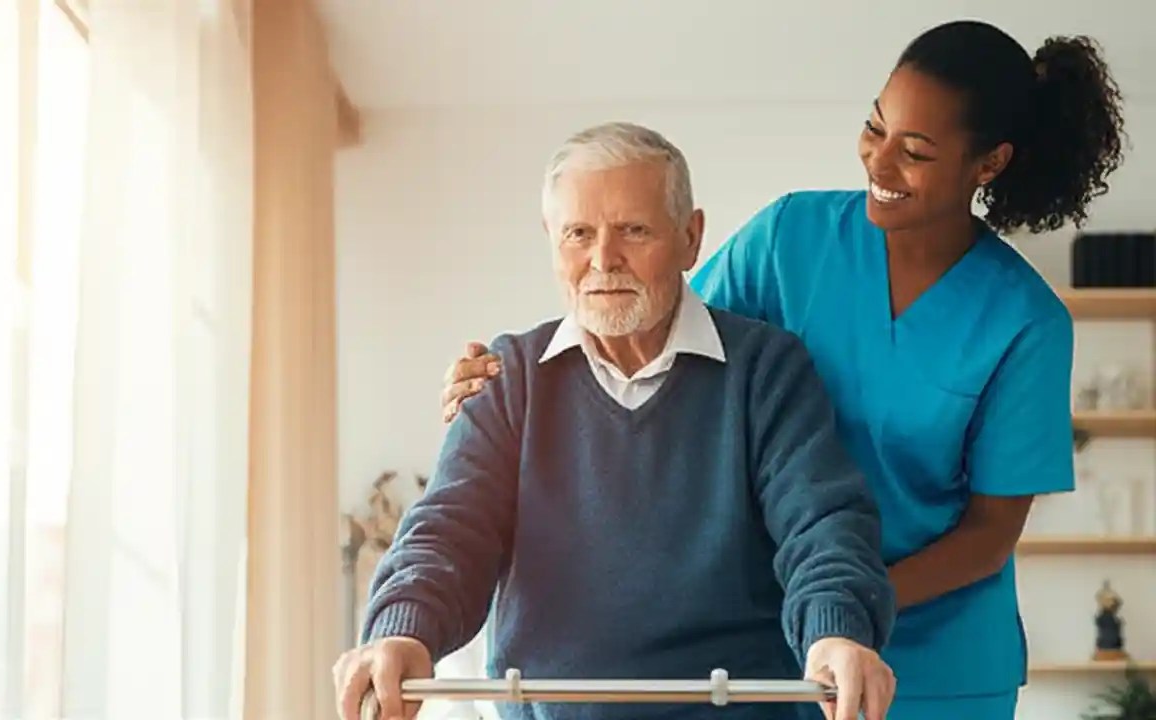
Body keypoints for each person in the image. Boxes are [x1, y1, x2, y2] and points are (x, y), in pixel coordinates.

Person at [436, 19, 1126, 720]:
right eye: (874, 128)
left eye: (914, 151)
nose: (878, 164)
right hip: (790, 651)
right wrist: (512, 379)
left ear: (989, 164)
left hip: (937, 660)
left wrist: (841, 603)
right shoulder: (791, 239)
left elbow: (989, 536)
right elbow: (652, 333)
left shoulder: (1025, 321)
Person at [334, 122, 899, 720]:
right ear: (552, 241)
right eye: (579, 233)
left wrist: (837, 630)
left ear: (690, 237)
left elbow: (821, 523)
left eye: (633, 231)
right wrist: (402, 629)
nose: (603, 259)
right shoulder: (510, 379)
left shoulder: (766, 370)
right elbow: (449, 529)